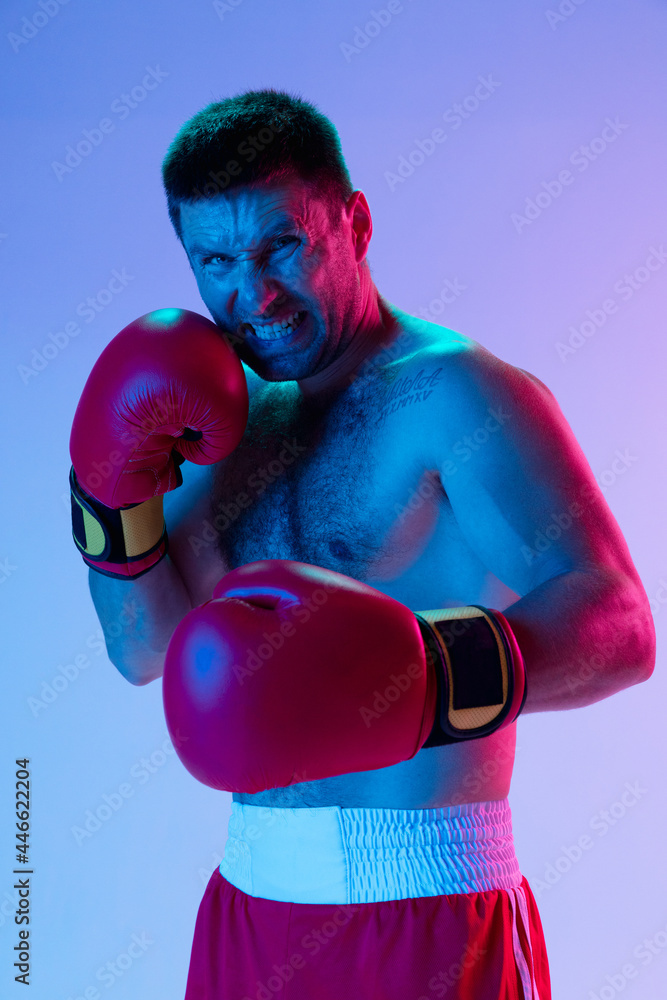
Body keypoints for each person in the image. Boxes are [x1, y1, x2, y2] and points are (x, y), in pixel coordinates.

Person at [69, 89, 656, 999]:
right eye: (216, 261)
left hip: (426, 909)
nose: (253, 294)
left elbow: (622, 628)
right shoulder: (210, 417)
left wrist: (422, 680)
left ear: (354, 223)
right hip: (247, 906)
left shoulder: (452, 394)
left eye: (282, 245)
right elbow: (141, 652)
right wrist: (108, 497)